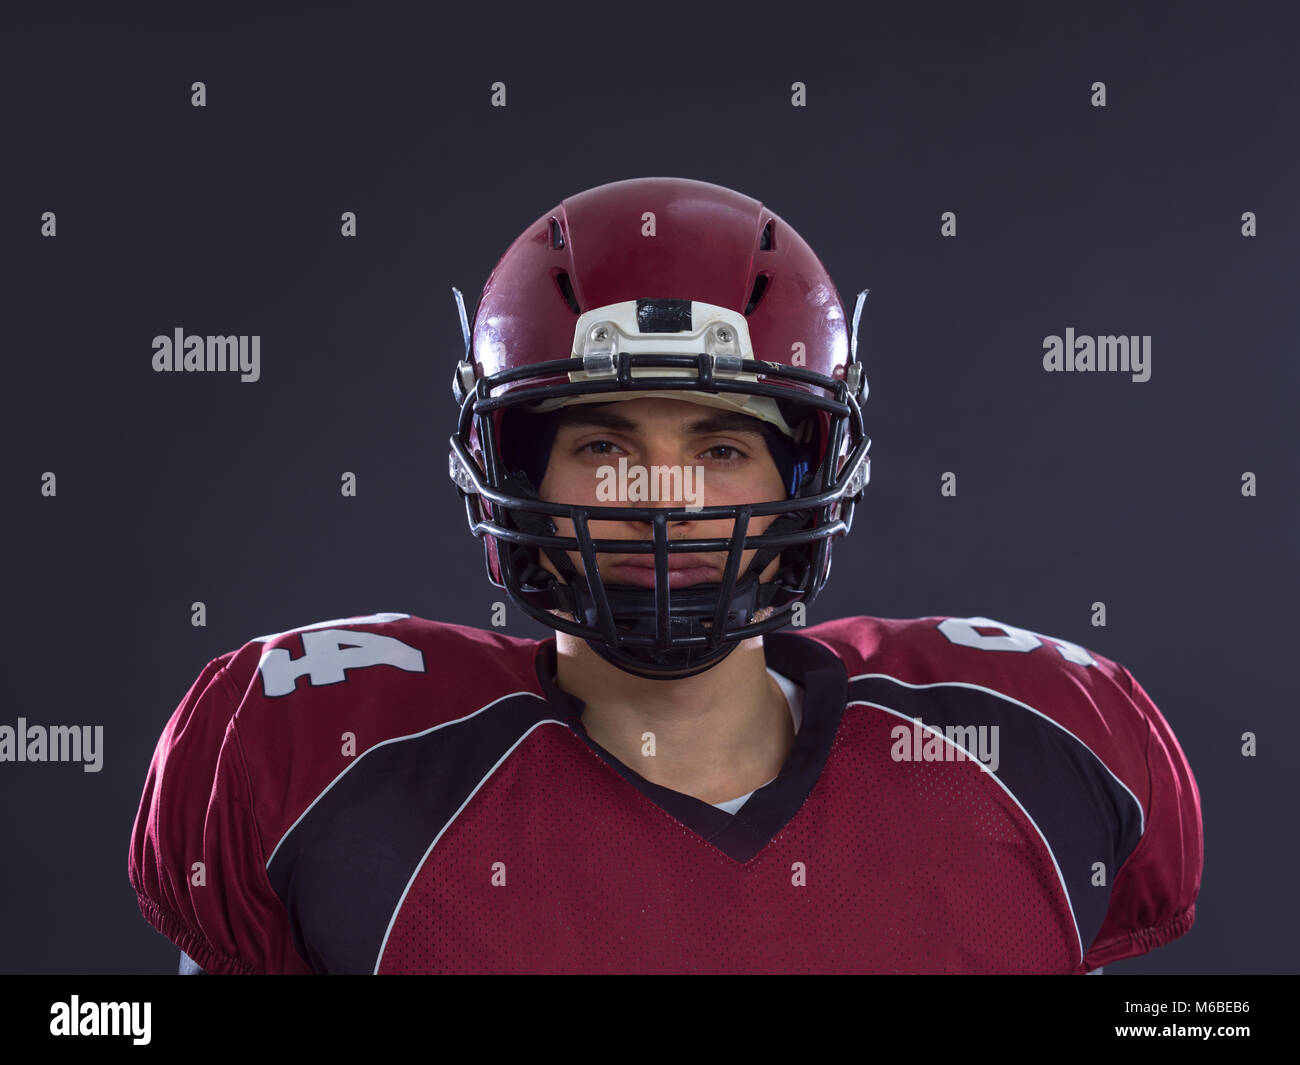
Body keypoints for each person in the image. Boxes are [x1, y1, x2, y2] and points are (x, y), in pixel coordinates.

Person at [130, 177, 1202, 974]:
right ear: (510, 470)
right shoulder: (331, 759)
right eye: (602, 445)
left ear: (808, 474)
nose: (667, 495)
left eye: (722, 448)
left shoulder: (1030, 748)